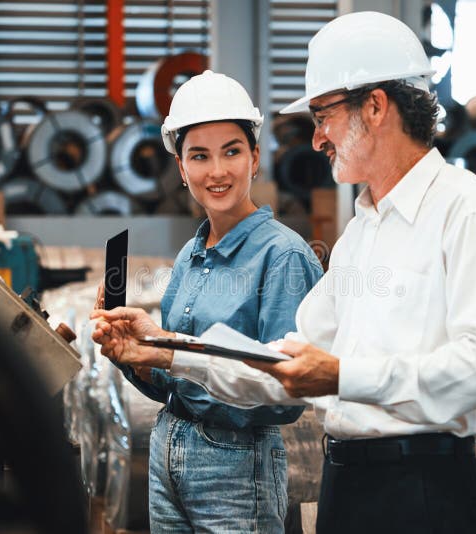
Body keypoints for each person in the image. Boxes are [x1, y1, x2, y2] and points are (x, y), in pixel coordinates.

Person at [93, 12, 476, 534]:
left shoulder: (468, 212)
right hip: (348, 485)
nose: (316, 138)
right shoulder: (363, 230)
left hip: (422, 488)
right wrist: (167, 349)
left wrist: (341, 375)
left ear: (374, 106)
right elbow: (285, 359)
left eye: (323, 115)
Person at [92, 70, 323, 533]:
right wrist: (133, 356)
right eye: (199, 156)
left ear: (255, 159)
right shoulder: (190, 255)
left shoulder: (283, 256)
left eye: (232, 152)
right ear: (181, 168)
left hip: (236, 465)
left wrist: (172, 358)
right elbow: (173, 382)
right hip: (167, 450)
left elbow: (288, 396)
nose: (217, 172)